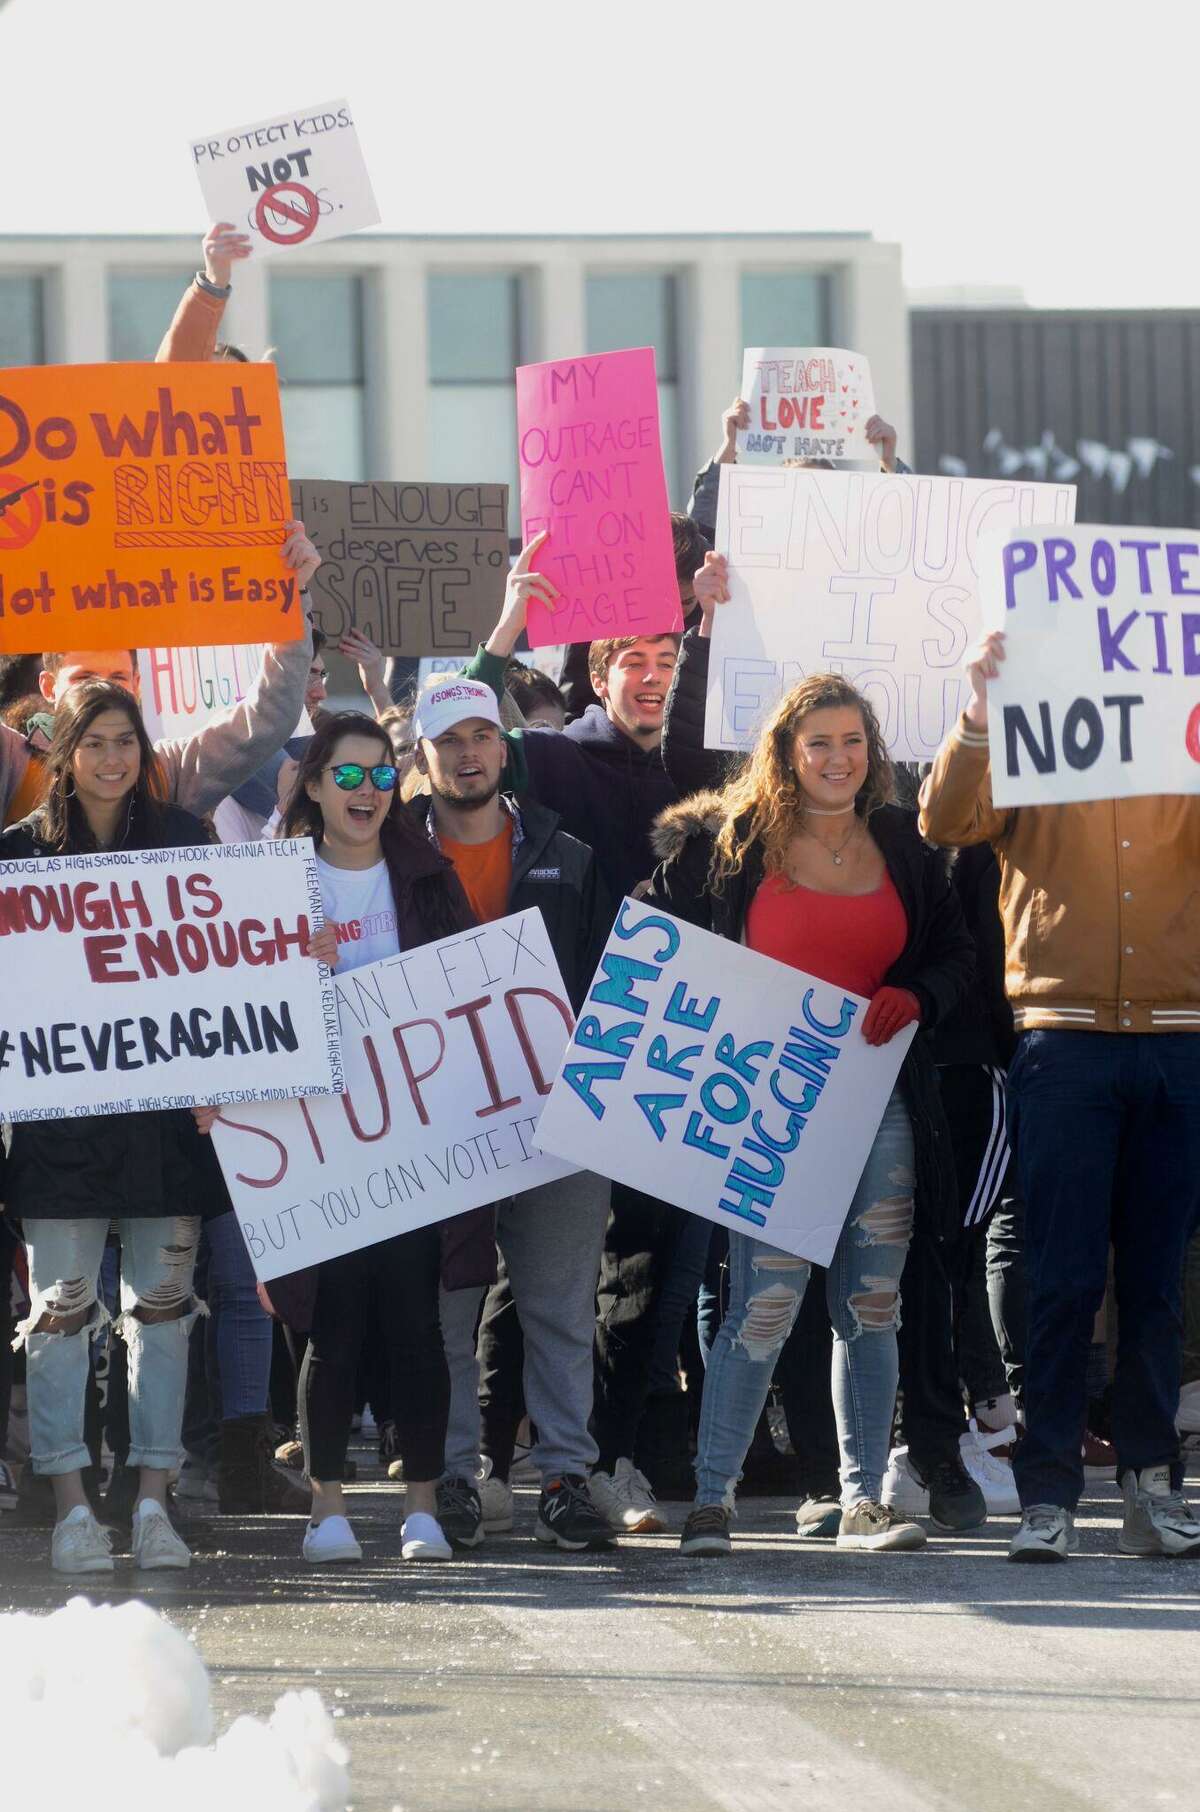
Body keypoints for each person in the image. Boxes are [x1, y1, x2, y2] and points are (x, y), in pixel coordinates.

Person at [648, 656, 973, 1556]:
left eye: (853, 743)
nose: (838, 759)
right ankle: (714, 1499)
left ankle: (863, 1500)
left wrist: (920, 994)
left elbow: (956, 957)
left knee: (872, 1308)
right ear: (786, 753)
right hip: (768, 1106)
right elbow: (651, 930)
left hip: (878, 1106)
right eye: (819, 743)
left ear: (873, 751)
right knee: (764, 1303)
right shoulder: (733, 844)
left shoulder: (905, 844)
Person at [919, 629, 1200, 1562]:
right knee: (1063, 1278)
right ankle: (1050, 1496)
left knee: (1157, 1284)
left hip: (1177, 1042)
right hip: (1065, 1044)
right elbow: (943, 820)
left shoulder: (1184, 740)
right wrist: (977, 711)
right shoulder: (1033, 734)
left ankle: (1152, 1488)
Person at [200, 711, 490, 1564]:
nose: (366, 792)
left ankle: (423, 1510)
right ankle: (326, 1506)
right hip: (311, 1140)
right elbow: (234, 1010)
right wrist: (292, 972)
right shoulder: (267, 888)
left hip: (409, 1139)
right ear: (316, 785)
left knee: (414, 1321)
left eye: (380, 775)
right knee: (330, 1325)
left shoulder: (431, 880)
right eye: (349, 775)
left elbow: (468, 996)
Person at [1, 684, 216, 1574]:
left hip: (167, 1130)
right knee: (59, 1321)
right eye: (95, 742)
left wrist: (300, 946)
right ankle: (71, 1507)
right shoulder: (16, 857)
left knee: (160, 1320)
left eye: (127, 740)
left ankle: (155, 1503)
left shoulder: (187, 842)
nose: (113, 758)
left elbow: (232, 963)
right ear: (63, 750)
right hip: (58, 1130)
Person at [407, 674, 616, 1550]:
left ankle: (566, 1475)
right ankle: (455, 1477)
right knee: (450, 1309)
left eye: (481, 737)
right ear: (423, 756)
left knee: (562, 1307)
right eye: (448, 739)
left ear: (504, 748)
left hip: (556, 1120)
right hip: (436, 1121)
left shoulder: (570, 854)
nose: (467, 754)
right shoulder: (390, 859)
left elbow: (614, 984)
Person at [0, 523, 321, 828]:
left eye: (118, 678)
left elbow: (267, 715)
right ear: (49, 687)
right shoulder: (13, 763)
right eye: (83, 678)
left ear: (138, 686)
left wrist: (289, 594)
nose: (101, 690)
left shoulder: (164, 772)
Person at [686, 397, 905, 541]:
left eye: (821, 490)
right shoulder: (755, 545)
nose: (810, 500)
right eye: (798, 488)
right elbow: (698, 534)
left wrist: (888, 460)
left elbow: (910, 534)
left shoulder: (859, 546)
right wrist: (730, 445)